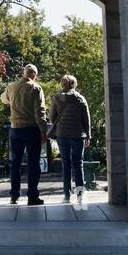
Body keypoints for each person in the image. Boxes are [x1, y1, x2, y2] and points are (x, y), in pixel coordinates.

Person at [1, 64, 48, 205]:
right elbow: (40, 112)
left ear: (23, 73)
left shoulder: (12, 86)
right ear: (34, 75)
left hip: (15, 129)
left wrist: (14, 100)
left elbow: (3, 99)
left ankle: (14, 195)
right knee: (33, 163)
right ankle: (32, 196)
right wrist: (44, 131)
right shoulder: (35, 88)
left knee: (15, 163)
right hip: (32, 129)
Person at [50, 73, 91, 205]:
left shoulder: (57, 97)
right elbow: (86, 119)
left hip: (62, 134)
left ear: (62, 84)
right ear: (74, 84)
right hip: (78, 135)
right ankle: (80, 195)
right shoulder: (80, 98)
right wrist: (88, 135)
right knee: (78, 164)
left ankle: (67, 195)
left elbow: (52, 117)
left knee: (66, 164)